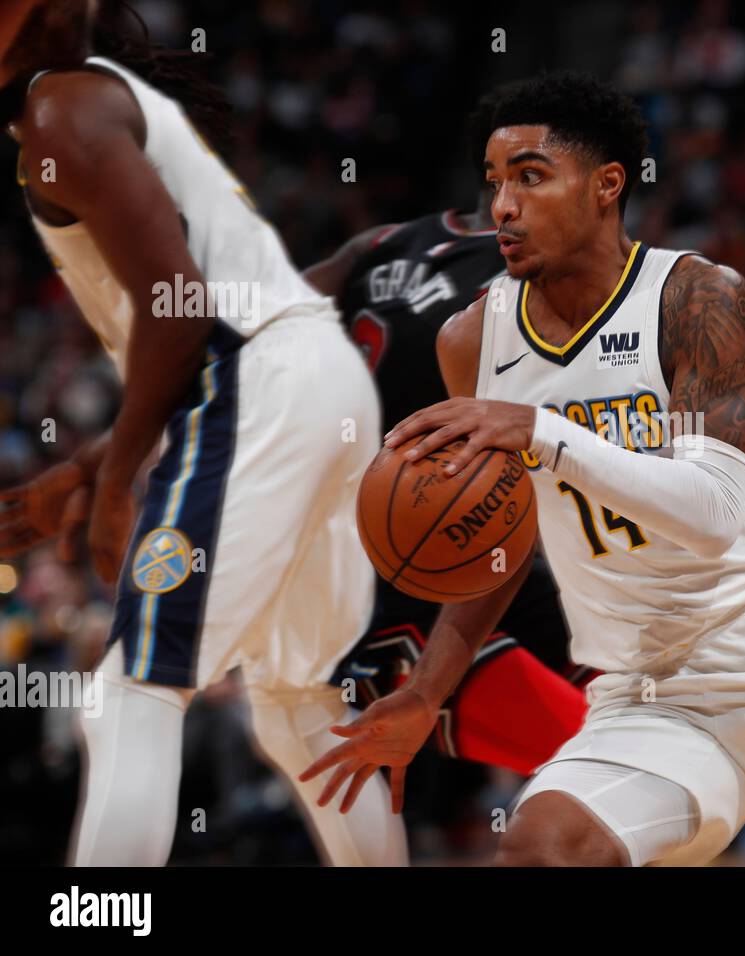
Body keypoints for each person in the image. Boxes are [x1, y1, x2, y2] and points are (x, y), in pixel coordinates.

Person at [303, 71, 745, 868]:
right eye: (495, 182)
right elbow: (501, 538)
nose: (503, 207)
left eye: (531, 177)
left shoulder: (698, 300)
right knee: (541, 851)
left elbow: (716, 512)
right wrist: (426, 692)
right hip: (648, 690)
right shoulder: (470, 341)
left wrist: (542, 430)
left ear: (607, 184)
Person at [0, 0, 405, 865]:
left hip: (256, 381)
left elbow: (179, 314)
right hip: (308, 378)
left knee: (132, 692)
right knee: (300, 708)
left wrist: (114, 490)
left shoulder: (58, 112)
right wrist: (91, 464)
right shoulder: (81, 101)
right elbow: (200, 320)